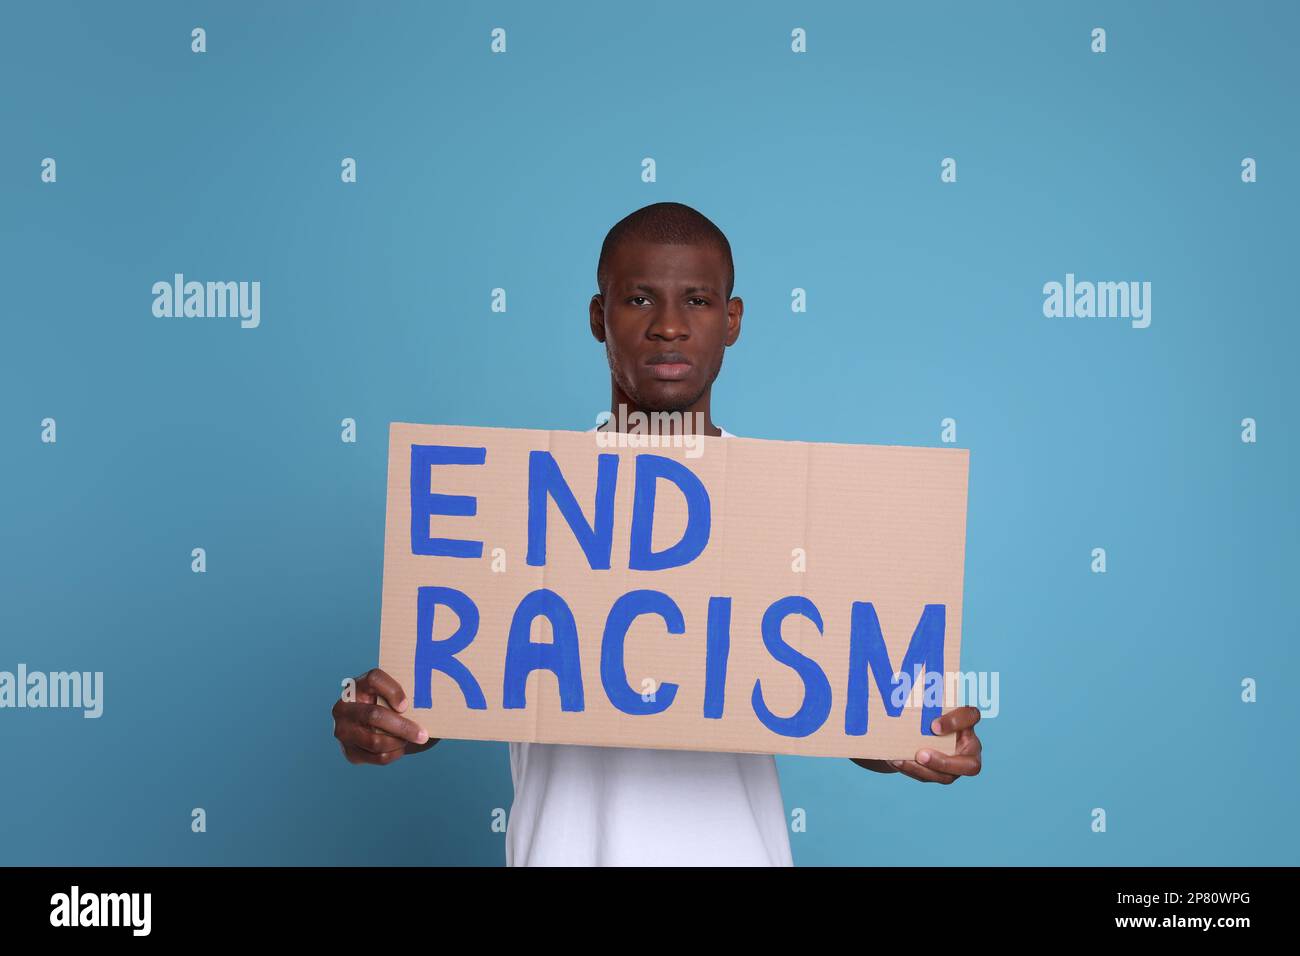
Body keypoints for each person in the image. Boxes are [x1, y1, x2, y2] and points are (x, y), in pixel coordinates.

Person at [331, 202, 984, 865]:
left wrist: (909, 739)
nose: (669, 326)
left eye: (697, 301)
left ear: (731, 321)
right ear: (599, 317)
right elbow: (463, 679)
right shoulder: (519, 499)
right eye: (639, 299)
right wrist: (380, 713)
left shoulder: (790, 506)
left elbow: (835, 693)